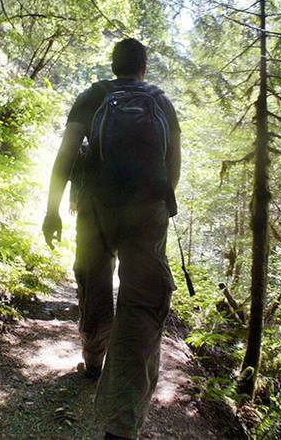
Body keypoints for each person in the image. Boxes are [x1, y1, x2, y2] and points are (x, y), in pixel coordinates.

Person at [42, 38, 181, 440]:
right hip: (147, 213)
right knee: (140, 308)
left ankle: (93, 358)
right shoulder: (161, 102)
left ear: (114, 65)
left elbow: (66, 155)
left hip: (95, 210)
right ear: (143, 68)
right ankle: (121, 425)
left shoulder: (93, 96)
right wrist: (157, 208)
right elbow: (173, 165)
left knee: (94, 284)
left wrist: (52, 211)